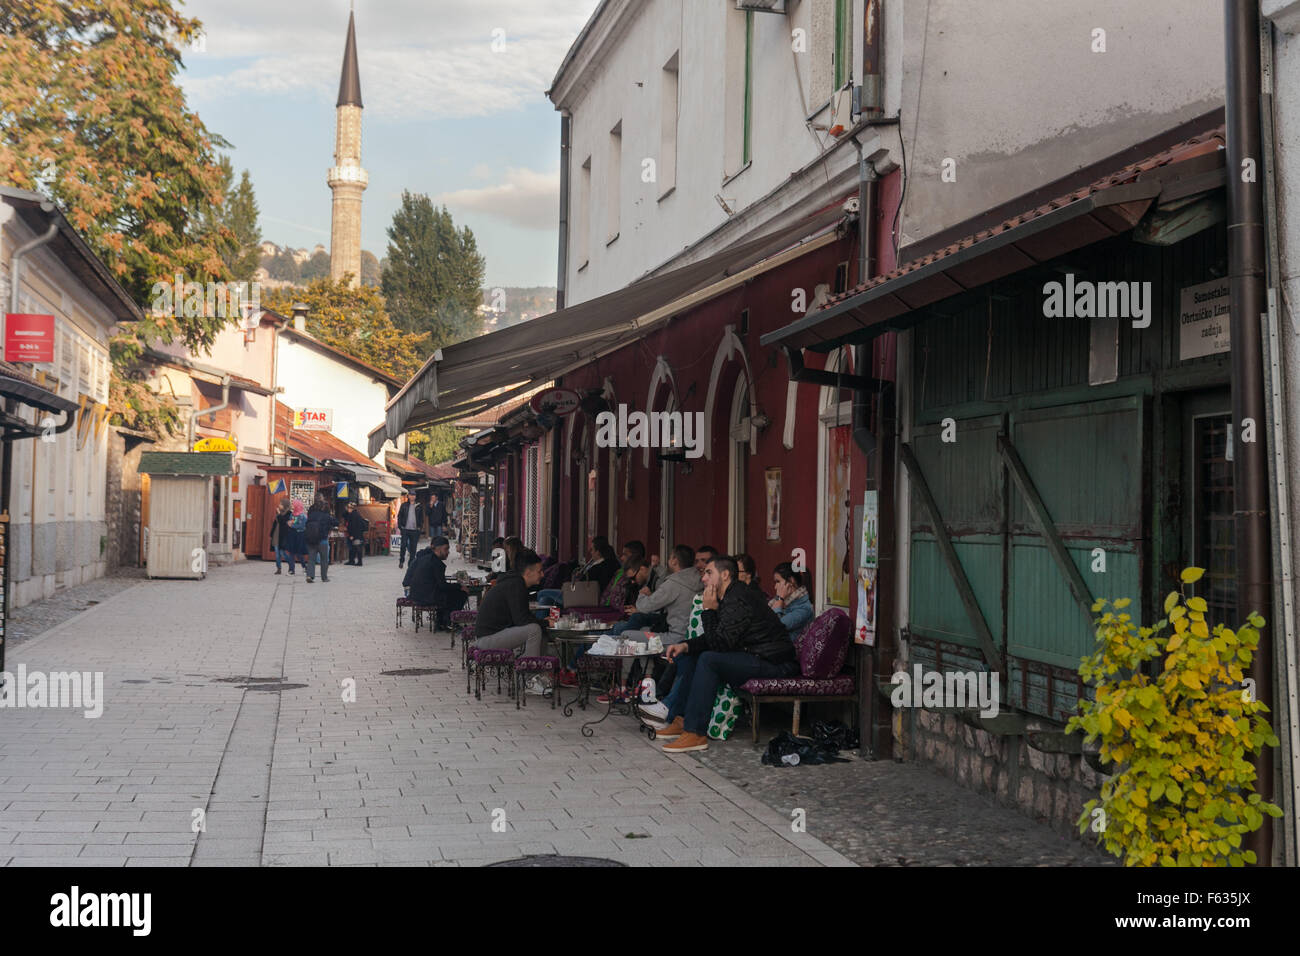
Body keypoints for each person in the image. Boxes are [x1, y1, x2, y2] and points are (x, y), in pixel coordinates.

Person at [656, 555, 799, 752]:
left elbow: (720, 645)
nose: (703, 578)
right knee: (690, 654)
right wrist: (686, 646)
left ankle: (696, 733)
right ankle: (681, 720)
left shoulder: (738, 598)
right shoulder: (729, 596)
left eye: (709, 573)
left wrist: (707, 611)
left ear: (725, 575)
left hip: (774, 662)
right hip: (753, 655)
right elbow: (721, 637)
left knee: (708, 659)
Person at [475, 549, 546, 657]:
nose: (543, 574)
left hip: (493, 635)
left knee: (537, 627)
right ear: (528, 572)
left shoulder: (514, 582)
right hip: (487, 640)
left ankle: (538, 664)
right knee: (534, 630)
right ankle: (530, 670)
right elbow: (522, 620)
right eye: (539, 571)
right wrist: (546, 623)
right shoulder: (516, 585)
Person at [403, 535, 467, 629]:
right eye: (446, 549)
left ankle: (441, 622)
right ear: (437, 549)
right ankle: (449, 622)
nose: (448, 553)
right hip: (426, 597)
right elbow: (443, 586)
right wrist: (459, 586)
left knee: (446, 594)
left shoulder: (423, 558)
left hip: (415, 595)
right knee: (461, 594)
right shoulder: (436, 562)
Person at [769, 563, 814, 642]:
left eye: (778, 581)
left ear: (791, 581)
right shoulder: (787, 602)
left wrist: (779, 599)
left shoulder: (804, 608)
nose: (775, 587)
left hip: (785, 651)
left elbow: (774, 628)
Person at [305, 493, 337, 583]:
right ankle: (324, 577)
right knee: (324, 559)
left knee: (311, 558)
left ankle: (310, 575)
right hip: (322, 539)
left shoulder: (311, 511)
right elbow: (335, 522)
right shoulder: (326, 514)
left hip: (311, 538)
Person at [396, 492, 425, 569]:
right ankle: (401, 560)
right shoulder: (404, 505)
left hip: (415, 530)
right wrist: (400, 526)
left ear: (415, 496)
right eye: (411, 495)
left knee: (413, 548)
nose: (412, 497)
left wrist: (420, 528)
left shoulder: (418, 506)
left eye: (414, 495)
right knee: (403, 545)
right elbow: (399, 516)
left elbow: (421, 518)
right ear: (408, 496)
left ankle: (411, 563)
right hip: (405, 529)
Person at [270, 499, 294, 575]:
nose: (279, 505)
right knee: (277, 554)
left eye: (280, 504)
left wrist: (279, 514)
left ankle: (291, 566)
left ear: (284, 505)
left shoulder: (289, 513)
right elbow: (276, 523)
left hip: (283, 536)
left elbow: (283, 521)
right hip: (276, 535)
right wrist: (271, 534)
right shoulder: (279, 514)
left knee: (282, 553)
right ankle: (278, 568)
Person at [343, 502, 369, 566]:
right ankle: (352, 561)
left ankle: (358, 562)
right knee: (354, 547)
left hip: (356, 534)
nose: (347, 509)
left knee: (357, 547)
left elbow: (353, 526)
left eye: (348, 508)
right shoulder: (354, 514)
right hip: (357, 533)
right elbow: (343, 515)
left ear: (351, 508)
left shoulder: (354, 515)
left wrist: (352, 535)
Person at [288, 498, 309, 570]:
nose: (292, 506)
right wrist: (289, 523)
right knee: (291, 552)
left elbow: (302, 526)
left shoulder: (303, 516)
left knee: (299, 553)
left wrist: (292, 525)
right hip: (292, 535)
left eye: (293, 504)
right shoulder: (292, 514)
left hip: (300, 535)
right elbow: (291, 521)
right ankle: (291, 569)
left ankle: (304, 567)